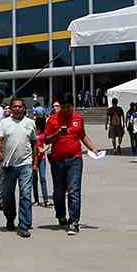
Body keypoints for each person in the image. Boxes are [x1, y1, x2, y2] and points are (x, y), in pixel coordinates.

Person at [40, 93, 97, 235]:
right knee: (59, 193)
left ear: (72, 106)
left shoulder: (78, 118)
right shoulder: (52, 120)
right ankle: (61, 215)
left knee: (74, 190)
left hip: (75, 159)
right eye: (63, 107)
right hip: (57, 160)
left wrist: (93, 148)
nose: (66, 110)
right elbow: (46, 140)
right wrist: (57, 134)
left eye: (68, 107)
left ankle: (74, 221)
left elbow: (82, 135)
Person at [0, 97, 39, 237]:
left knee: (26, 195)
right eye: (14, 106)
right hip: (8, 165)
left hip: (25, 164)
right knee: (7, 196)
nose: (17, 109)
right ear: (10, 108)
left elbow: (34, 144)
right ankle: (10, 218)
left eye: (20, 107)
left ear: (24, 108)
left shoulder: (30, 123)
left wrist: (34, 163)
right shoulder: (4, 123)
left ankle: (24, 225)